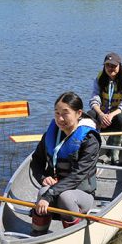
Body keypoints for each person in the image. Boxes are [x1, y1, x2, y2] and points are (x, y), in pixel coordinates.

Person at [29, 92, 101, 235]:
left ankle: (72, 236)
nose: (60, 119)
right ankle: (37, 235)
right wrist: (43, 178)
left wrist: (49, 196)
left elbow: (77, 175)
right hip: (54, 190)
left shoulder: (89, 140)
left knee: (65, 197)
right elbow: (36, 162)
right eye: (57, 113)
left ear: (78, 113)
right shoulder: (50, 135)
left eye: (65, 113)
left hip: (81, 194)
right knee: (43, 190)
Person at [88, 52, 122, 165]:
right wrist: (101, 115)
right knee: (89, 115)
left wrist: (111, 115)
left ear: (119, 66)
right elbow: (94, 99)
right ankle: (90, 151)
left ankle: (115, 155)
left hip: (117, 116)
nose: (110, 68)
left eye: (113, 66)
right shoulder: (99, 79)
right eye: (107, 65)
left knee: (121, 119)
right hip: (103, 115)